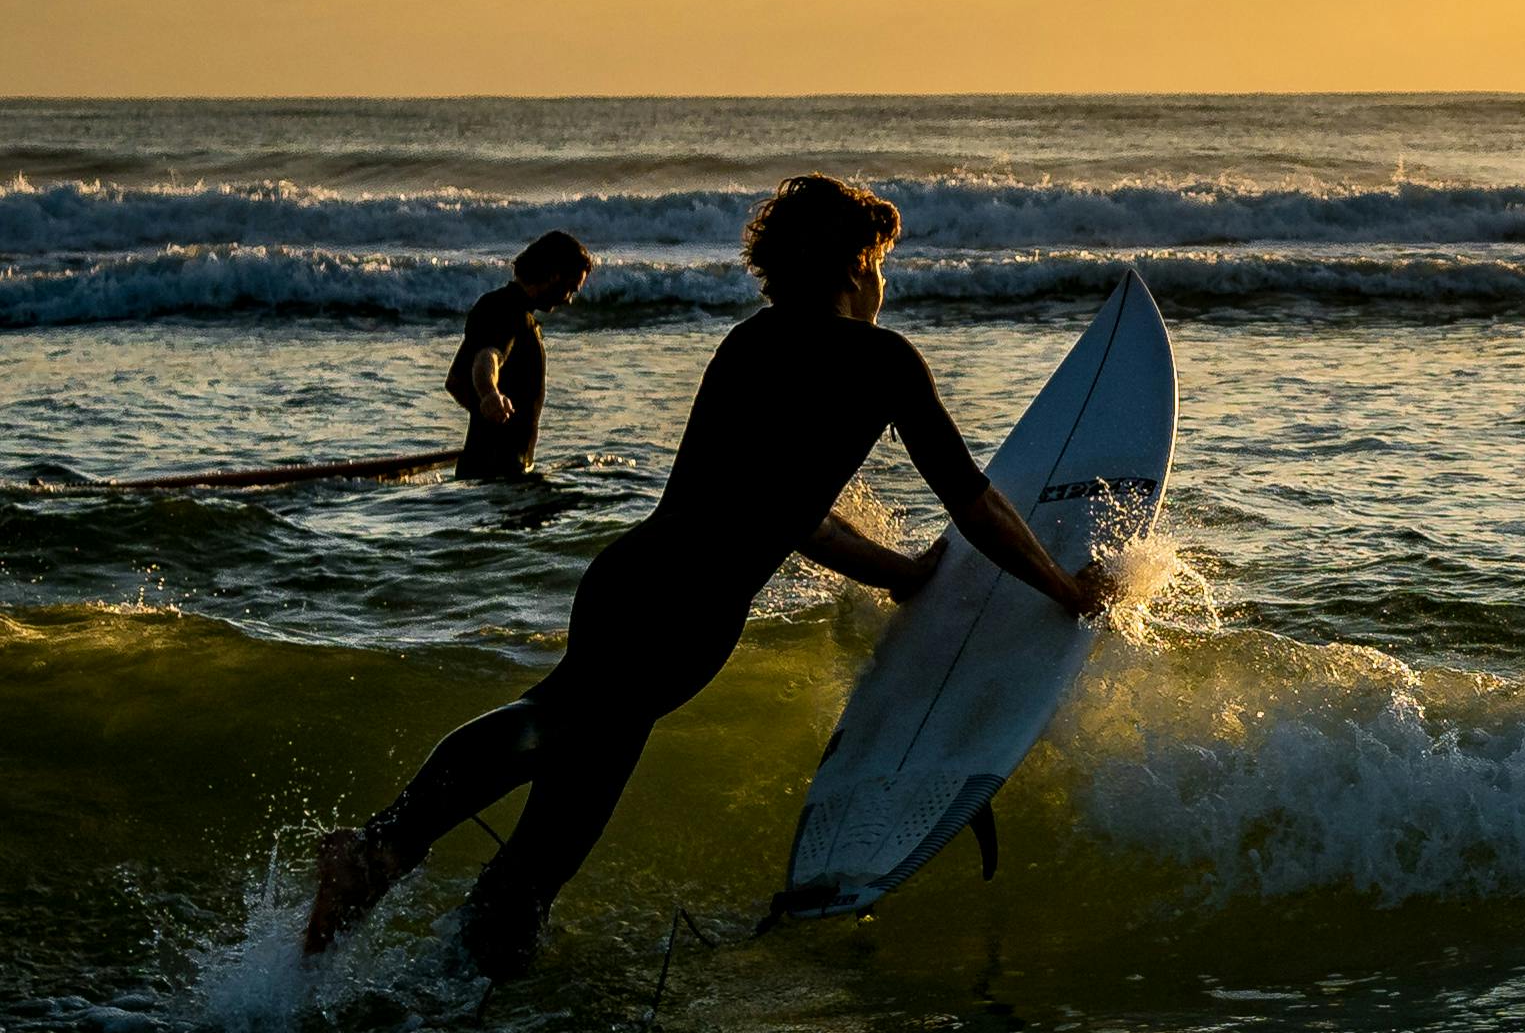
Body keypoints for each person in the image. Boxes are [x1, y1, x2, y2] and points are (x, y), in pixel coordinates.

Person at [308, 176, 1117, 980]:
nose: (881, 283)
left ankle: (477, 962)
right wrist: (1068, 590)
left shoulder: (751, 343)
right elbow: (974, 503)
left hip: (633, 581)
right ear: (852, 265)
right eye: (878, 264)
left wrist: (899, 572)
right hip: (678, 610)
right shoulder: (882, 361)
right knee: (559, 717)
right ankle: (381, 846)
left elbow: (792, 515)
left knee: (558, 828)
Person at [448, 231, 595, 480]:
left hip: (487, 471)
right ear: (553, 275)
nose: (569, 300)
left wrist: (489, 416)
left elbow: (455, 382)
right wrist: (489, 394)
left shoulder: (501, 307)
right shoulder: (509, 312)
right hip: (499, 477)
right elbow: (489, 357)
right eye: (571, 288)